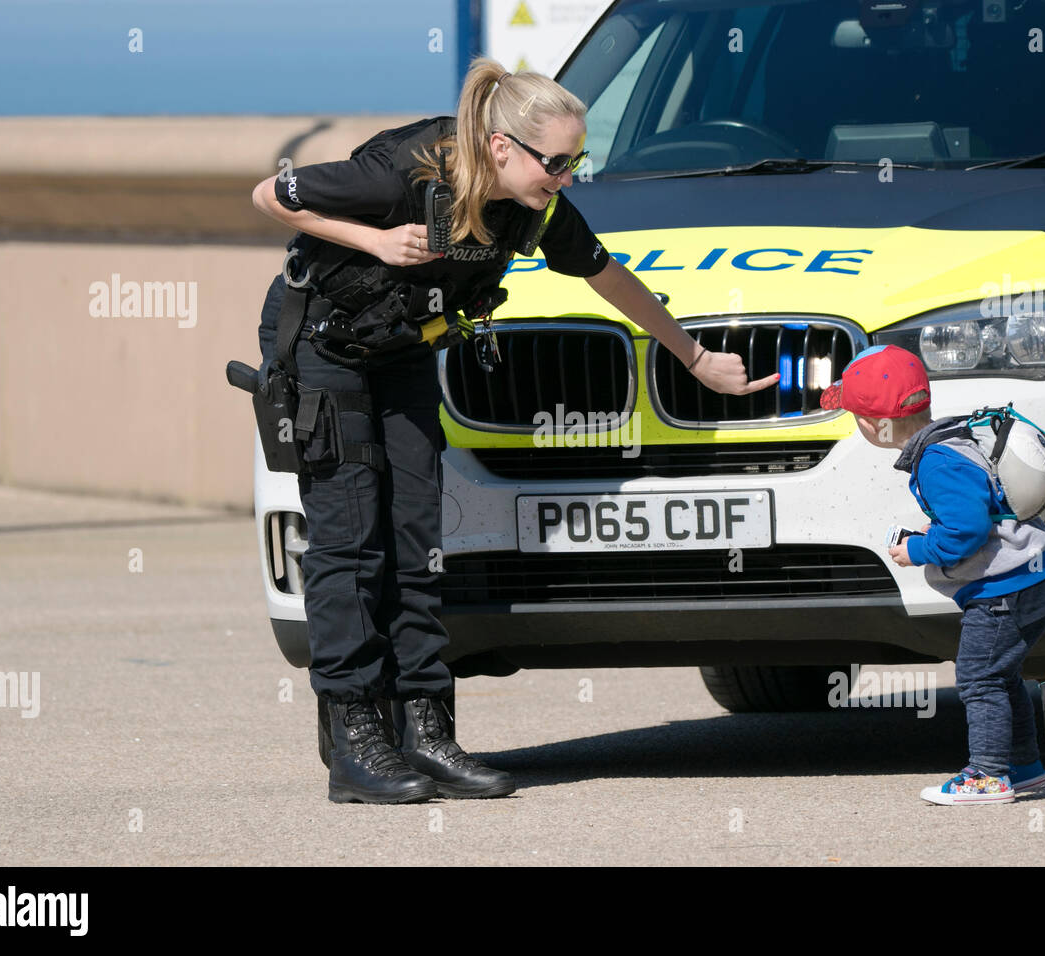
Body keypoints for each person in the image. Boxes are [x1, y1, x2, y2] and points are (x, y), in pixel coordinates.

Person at [249, 57, 780, 805]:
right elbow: (270, 193)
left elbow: (608, 274)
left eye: (577, 162)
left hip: (400, 349)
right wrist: (375, 243)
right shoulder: (401, 172)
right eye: (555, 163)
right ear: (502, 149)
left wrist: (693, 357)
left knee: (414, 537)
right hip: (322, 347)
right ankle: (355, 742)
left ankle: (426, 734)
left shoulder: (535, 205)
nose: (565, 177)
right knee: (350, 539)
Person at [820, 345, 1045, 805]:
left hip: (999, 594)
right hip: (1026, 580)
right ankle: (1022, 767)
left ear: (872, 424)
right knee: (1001, 678)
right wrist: (938, 531)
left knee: (978, 680)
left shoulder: (936, 461)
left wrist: (918, 549)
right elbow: (974, 514)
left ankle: (987, 775)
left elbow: (966, 531)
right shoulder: (951, 440)